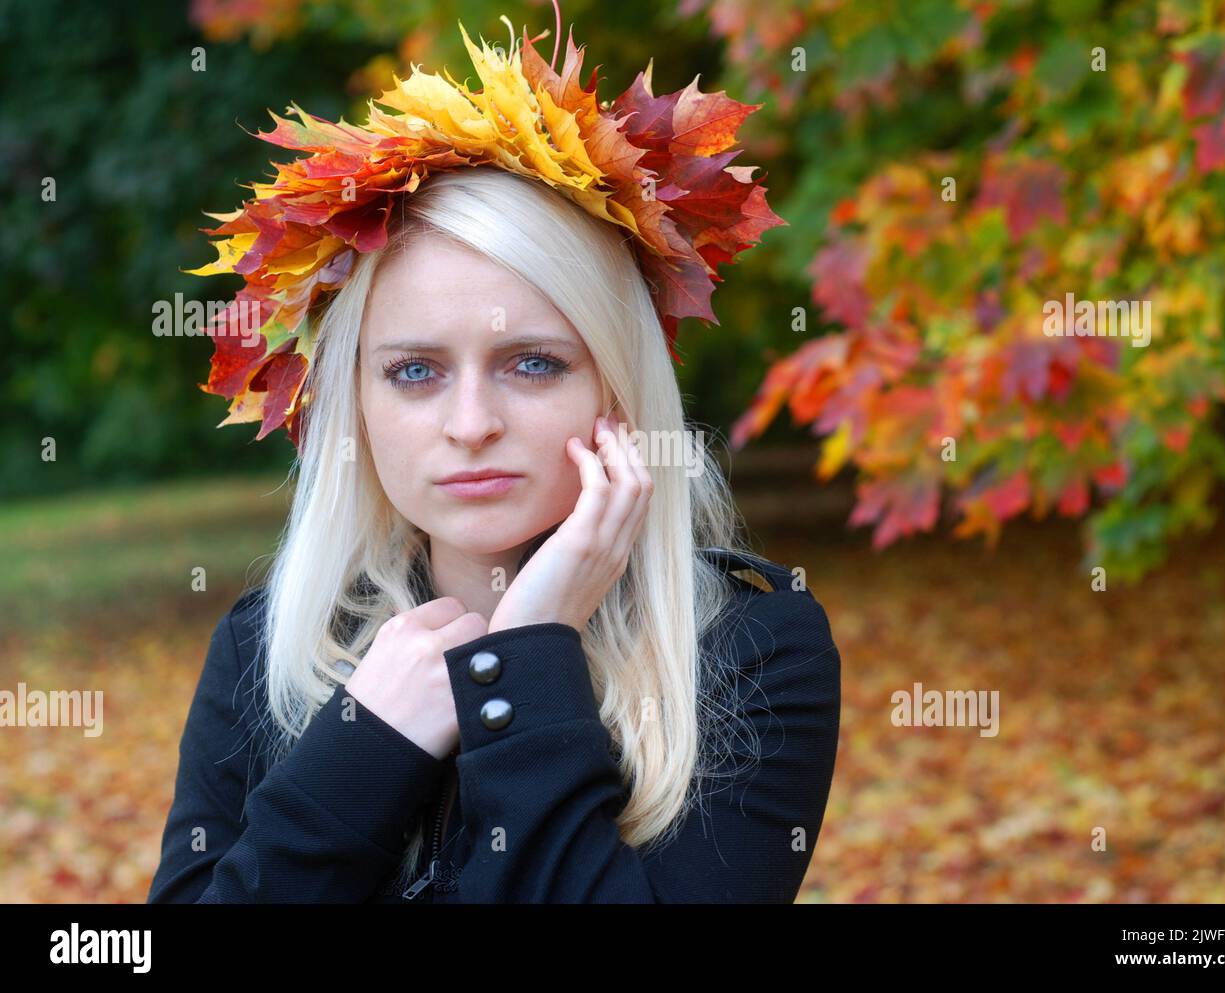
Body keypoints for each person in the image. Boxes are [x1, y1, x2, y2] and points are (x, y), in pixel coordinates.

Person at [146, 16, 841, 903]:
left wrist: (527, 654)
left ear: (618, 391)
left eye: (533, 362)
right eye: (415, 371)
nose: (470, 423)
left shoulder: (751, 651)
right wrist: (366, 745)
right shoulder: (267, 649)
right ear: (356, 400)